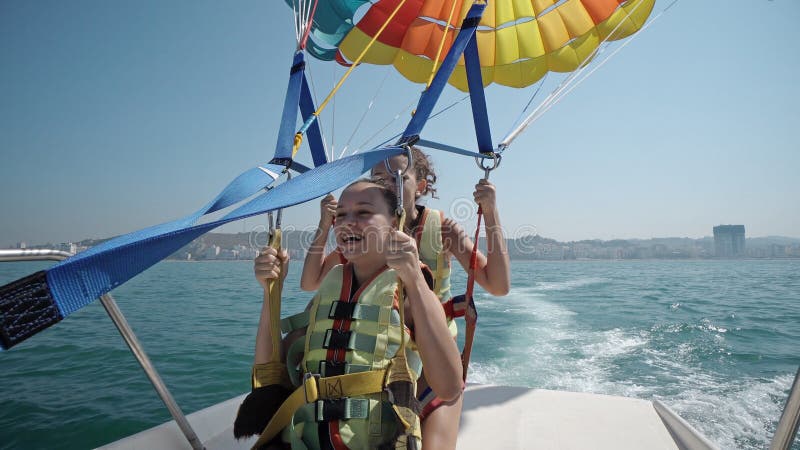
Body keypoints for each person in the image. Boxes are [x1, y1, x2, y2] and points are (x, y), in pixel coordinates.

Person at [300, 148, 510, 449]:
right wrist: (326, 223)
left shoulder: (443, 230)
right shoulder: (365, 238)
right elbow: (312, 282)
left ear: (420, 185)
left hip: (431, 360)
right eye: (379, 179)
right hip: (385, 356)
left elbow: (498, 285)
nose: (386, 186)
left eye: (397, 178)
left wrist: (490, 212)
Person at [249, 179, 462, 449]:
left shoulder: (410, 291)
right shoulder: (330, 290)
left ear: (395, 221)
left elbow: (448, 387)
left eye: (363, 213)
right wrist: (271, 293)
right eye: (341, 215)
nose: (348, 222)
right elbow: (269, 375)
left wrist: (416, 282)